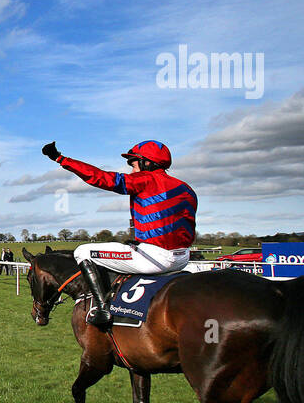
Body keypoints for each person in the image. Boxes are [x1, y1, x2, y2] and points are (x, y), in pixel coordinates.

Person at [43, 139, 197, 327]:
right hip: (183, 258)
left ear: (146, 163)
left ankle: (102, 309)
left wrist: (61, 159)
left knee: (82, 252)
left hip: (157, 259)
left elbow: (100, 177)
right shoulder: (187, 189)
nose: (132, 171)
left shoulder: (144, 180)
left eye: (133, 165)